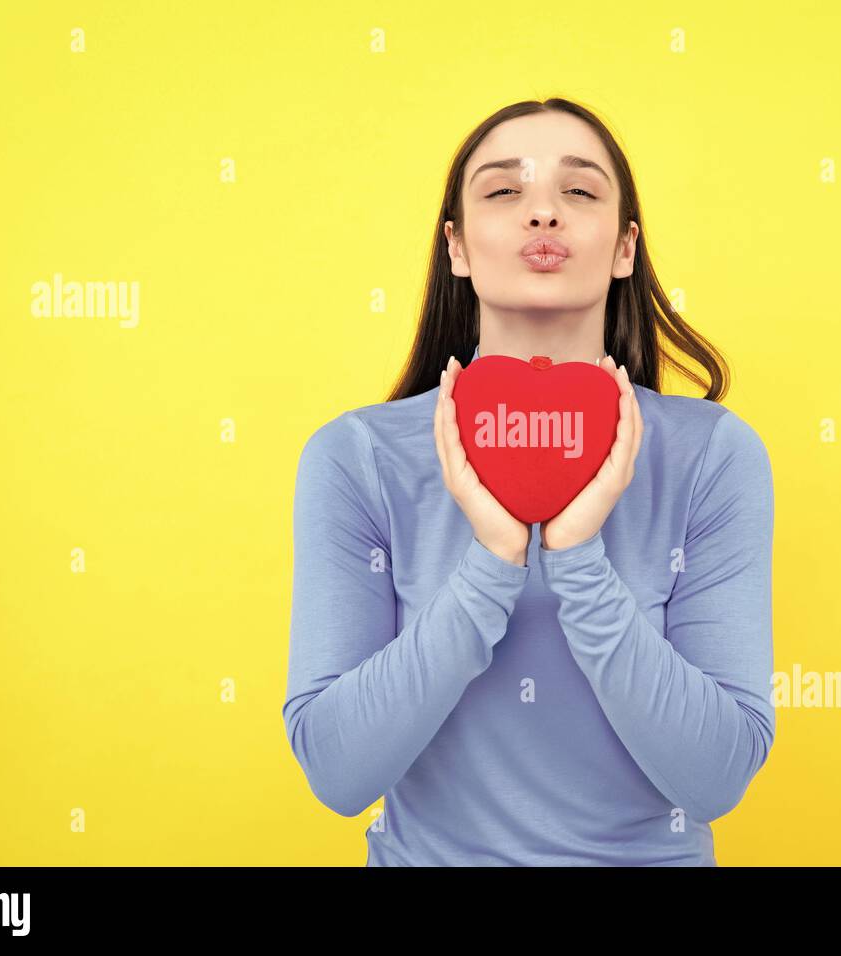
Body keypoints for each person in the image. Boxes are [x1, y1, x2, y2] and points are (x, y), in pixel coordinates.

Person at [283, 97, 775, 865]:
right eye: (504, 191)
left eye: (578, 192)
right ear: (457, 247)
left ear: (623, 248)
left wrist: (578, 558)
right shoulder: (358, 458)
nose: (543, 213)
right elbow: (338, 772)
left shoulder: (711, 456)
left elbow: (716, 778)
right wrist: (493, 563)